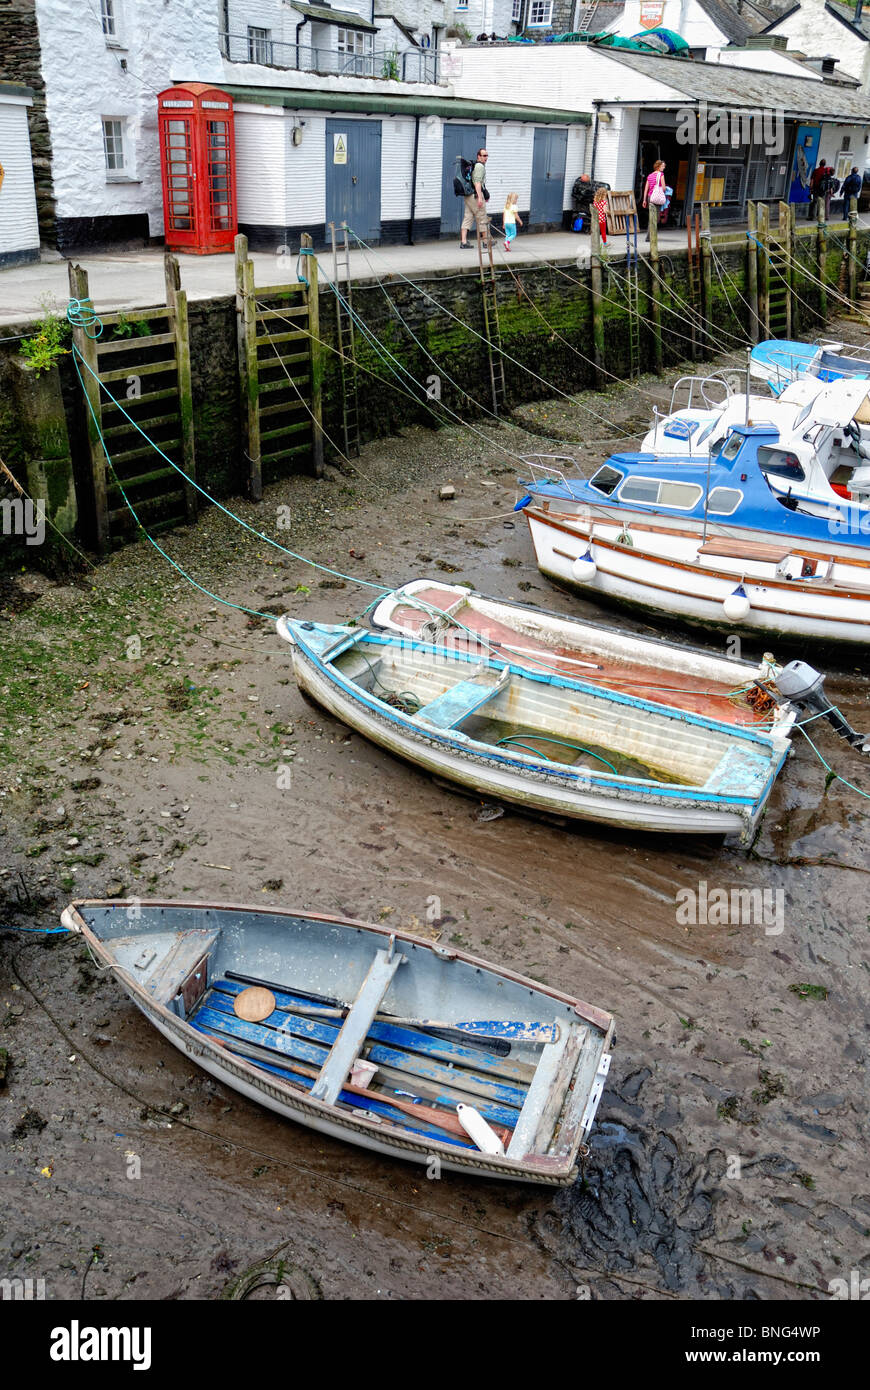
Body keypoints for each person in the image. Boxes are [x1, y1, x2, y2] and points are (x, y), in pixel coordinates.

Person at [460, 148, 489, 249]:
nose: (486, 158)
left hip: (468, 195)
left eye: (487, 156)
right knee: (481, 215)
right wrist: (480, 197)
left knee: (468, 216)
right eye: (484, 155)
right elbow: (477, 182)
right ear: (479, 156)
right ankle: (486, 242)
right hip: (474, 195)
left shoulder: (475, 165)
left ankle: (463, 242)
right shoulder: (480, 166)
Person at [643, 159, 666, 242]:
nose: (664, 167)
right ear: (658, 166)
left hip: (650, 197)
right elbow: (663, 188)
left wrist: (644, 200)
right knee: (656, 218)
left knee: (651, 217)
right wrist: (665, 191)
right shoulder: (661, 175)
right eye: (663, 166)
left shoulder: (649, 176)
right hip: (657, 197)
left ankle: (648, 236)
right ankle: (651, 236)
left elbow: (646, 189)